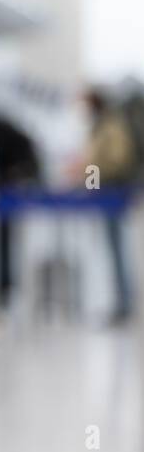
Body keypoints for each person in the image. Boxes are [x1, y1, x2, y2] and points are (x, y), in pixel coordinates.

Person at [0, 106, 41, 309]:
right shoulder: (1, 128)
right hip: (4, 194)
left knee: (1, 243)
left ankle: (2, 286)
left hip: (5, 195)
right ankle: (1, 286)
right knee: (0, 243)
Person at [84, 89, 135, 324]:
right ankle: (121, 303)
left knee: (117, 249)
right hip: (107, 191)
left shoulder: (110, 125)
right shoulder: (104, 124)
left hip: (112, 192)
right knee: (113, 249)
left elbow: (112, 160)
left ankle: (124, 304)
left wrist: (93, 180)